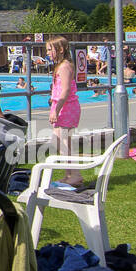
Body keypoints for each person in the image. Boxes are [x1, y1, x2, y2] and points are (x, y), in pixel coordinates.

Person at [47, 34, 83, 187]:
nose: (47, 53)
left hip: (66, 108)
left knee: (64, 142)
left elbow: (66, 90)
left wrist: (56, 109)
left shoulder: (65, 66)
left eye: (50, 50)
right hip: (62, 107)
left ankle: (75, 174)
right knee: (61, 141)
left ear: (60, 49)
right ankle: (69, 174)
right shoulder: (61, 66)